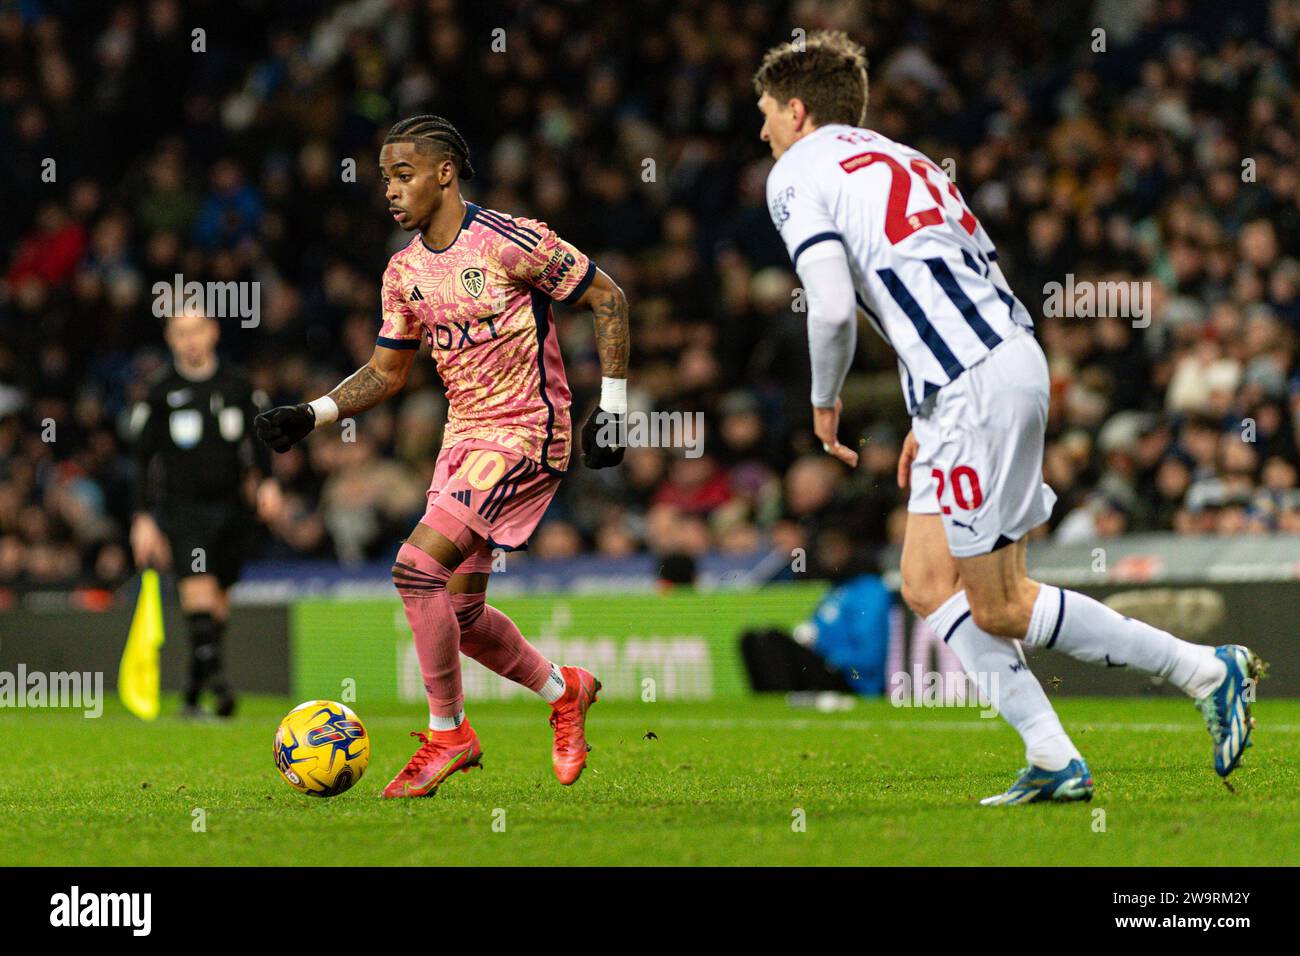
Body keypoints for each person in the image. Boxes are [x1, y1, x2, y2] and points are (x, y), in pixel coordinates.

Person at [754, 32, 1260, 804]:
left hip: (974, 383)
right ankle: (1054, 758)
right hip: (997, 360)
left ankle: (1202, 670)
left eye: (766, 115)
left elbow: (830, 311)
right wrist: (927, 402)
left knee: (1002, 603)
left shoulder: (797, 170)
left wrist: (824, 404)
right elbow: (937, 283)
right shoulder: (905, 160)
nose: (762, 133)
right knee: (927, 581)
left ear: (797, 109)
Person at [255, 116, 630, 798]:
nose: (391, 193)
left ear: (445, 173)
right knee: (458, 615)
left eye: (403, 176)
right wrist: (313, 413)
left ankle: (449, 735)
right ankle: (563, 689)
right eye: (384, 181)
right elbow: (386, 373)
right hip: (462, 443)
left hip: (524, 433)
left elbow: (609, 297)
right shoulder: (403, 274)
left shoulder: (510, 240)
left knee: (415, 568)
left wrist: (616, 407)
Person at [129, 307, 282, 718]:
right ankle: (221, 687)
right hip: (183, 511)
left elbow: (262, 437)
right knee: (197, 595)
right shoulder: (159, 391)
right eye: (181, 333)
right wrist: (143, 517)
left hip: (233, 509)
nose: (191, 339)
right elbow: (142, 460)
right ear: (170, 339)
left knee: (217, 606)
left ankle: (194, 693)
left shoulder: (238, 385)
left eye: (197, 330)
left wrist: (267, 482)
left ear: (213, 332)